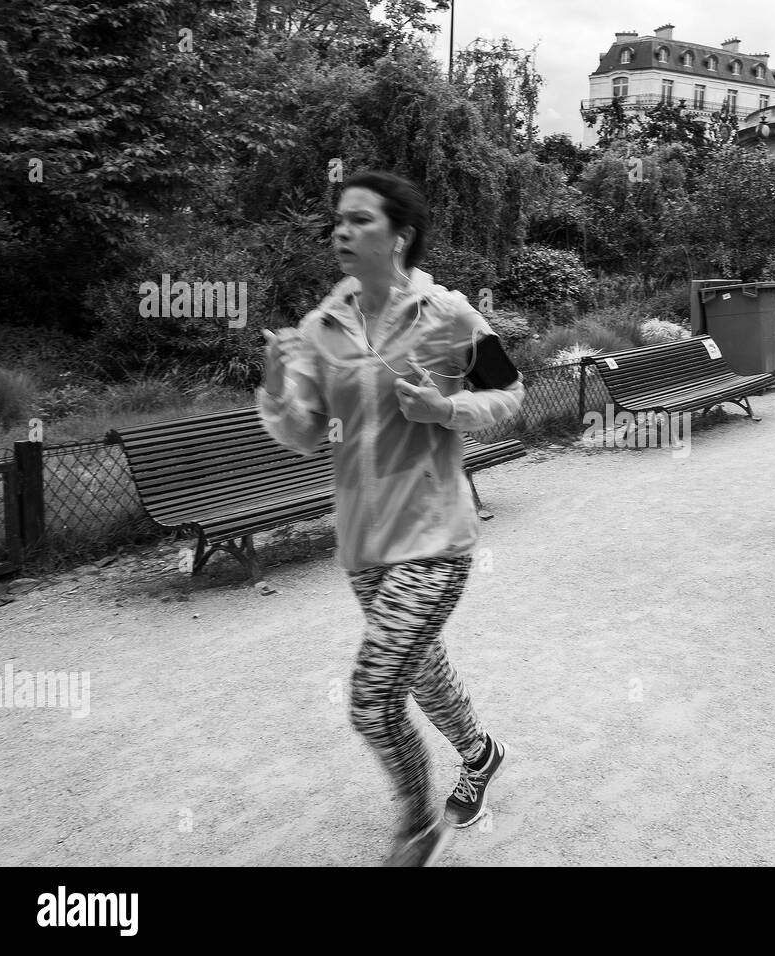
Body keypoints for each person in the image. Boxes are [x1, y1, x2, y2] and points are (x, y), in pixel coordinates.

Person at [258, 170, 526, 866]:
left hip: (436, 538)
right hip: (364, 546)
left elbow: (509, 393)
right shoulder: (323, 328)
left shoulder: (451, 315)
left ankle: (414, 829)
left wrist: (446, 410)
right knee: (421, 674)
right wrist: (273, 383)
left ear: (400, 236)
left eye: (359, 220)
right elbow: (304, 434)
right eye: (337, 222)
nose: (341, 231)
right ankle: (481, 753)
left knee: (372, 699)